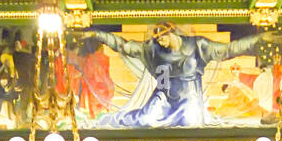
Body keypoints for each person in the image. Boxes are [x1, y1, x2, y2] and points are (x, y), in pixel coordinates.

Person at [85, 22, 261, 127]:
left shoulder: (198, 45)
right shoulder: (152, 49)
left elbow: (230, 49)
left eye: (162, 38)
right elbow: (123, 46)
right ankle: (117, 119)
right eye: (158, 40)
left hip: (189, 99)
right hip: (163, 97)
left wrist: (258, 40)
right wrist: (98, 34)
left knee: (191, 123)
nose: (160, 42)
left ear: (170, 33)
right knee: (145, 120)